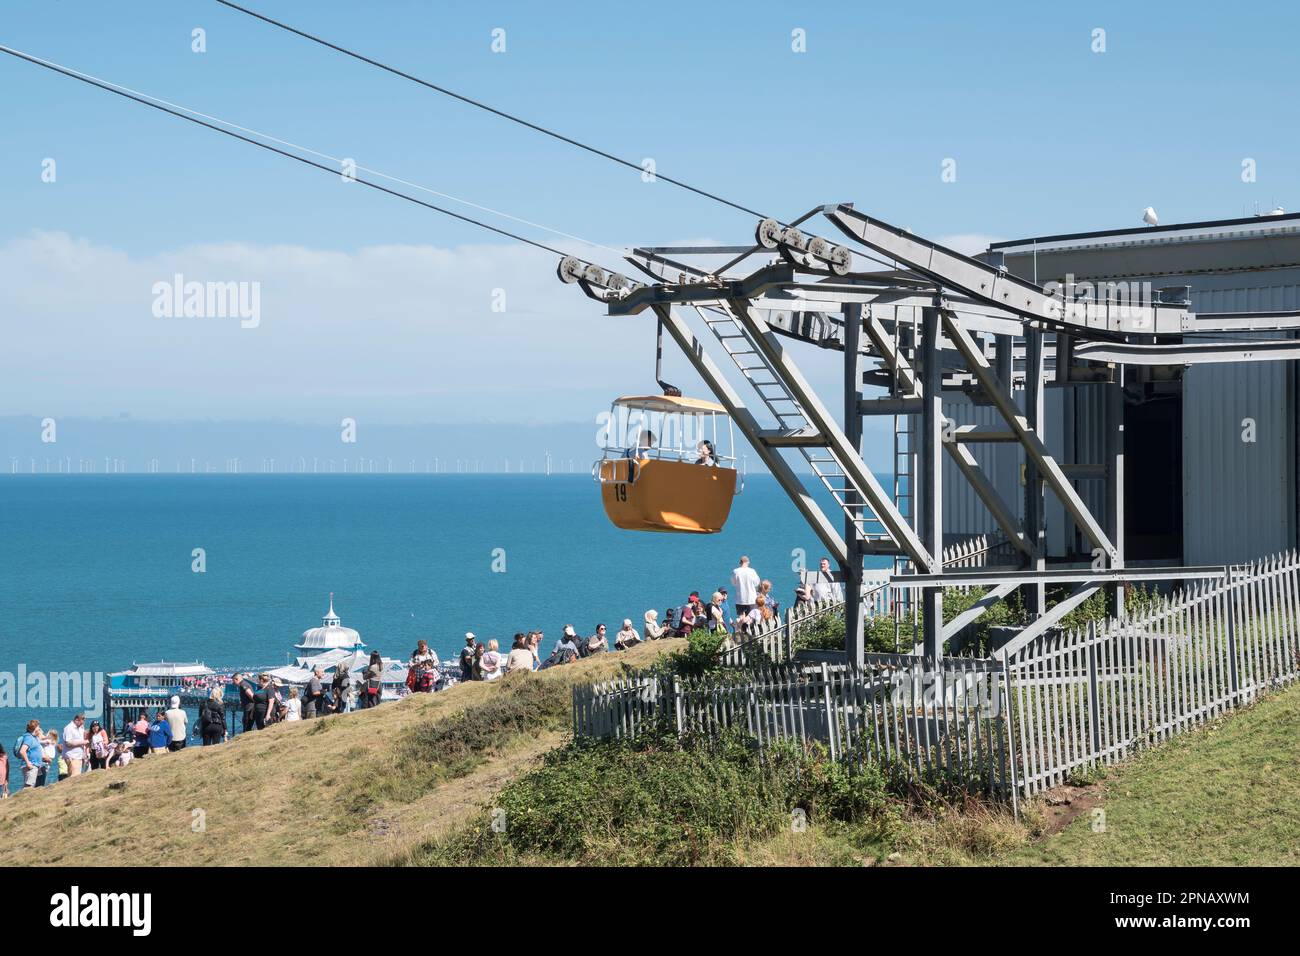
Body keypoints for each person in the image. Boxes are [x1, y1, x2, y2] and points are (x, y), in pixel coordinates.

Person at [15, 720, 46, 790]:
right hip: (31, 765)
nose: (39, 729)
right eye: (38, 728)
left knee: (32, 785)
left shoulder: (33, 737)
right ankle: (21, 799)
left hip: (35, 765)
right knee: (28, 786)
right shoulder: (29, 738)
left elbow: (42, 736)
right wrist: (28, 763)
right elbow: (22, 751)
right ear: (34, 729)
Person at [62, 713, 88, 777]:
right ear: (77, 720)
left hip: (78, 756)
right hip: (72, 756)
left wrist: (84, 753)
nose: (83, 723)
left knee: (75, 776)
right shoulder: (69, 728)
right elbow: (68, 743)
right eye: (82, 721)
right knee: (74, 777)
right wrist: (83, 742)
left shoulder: (80, 728)